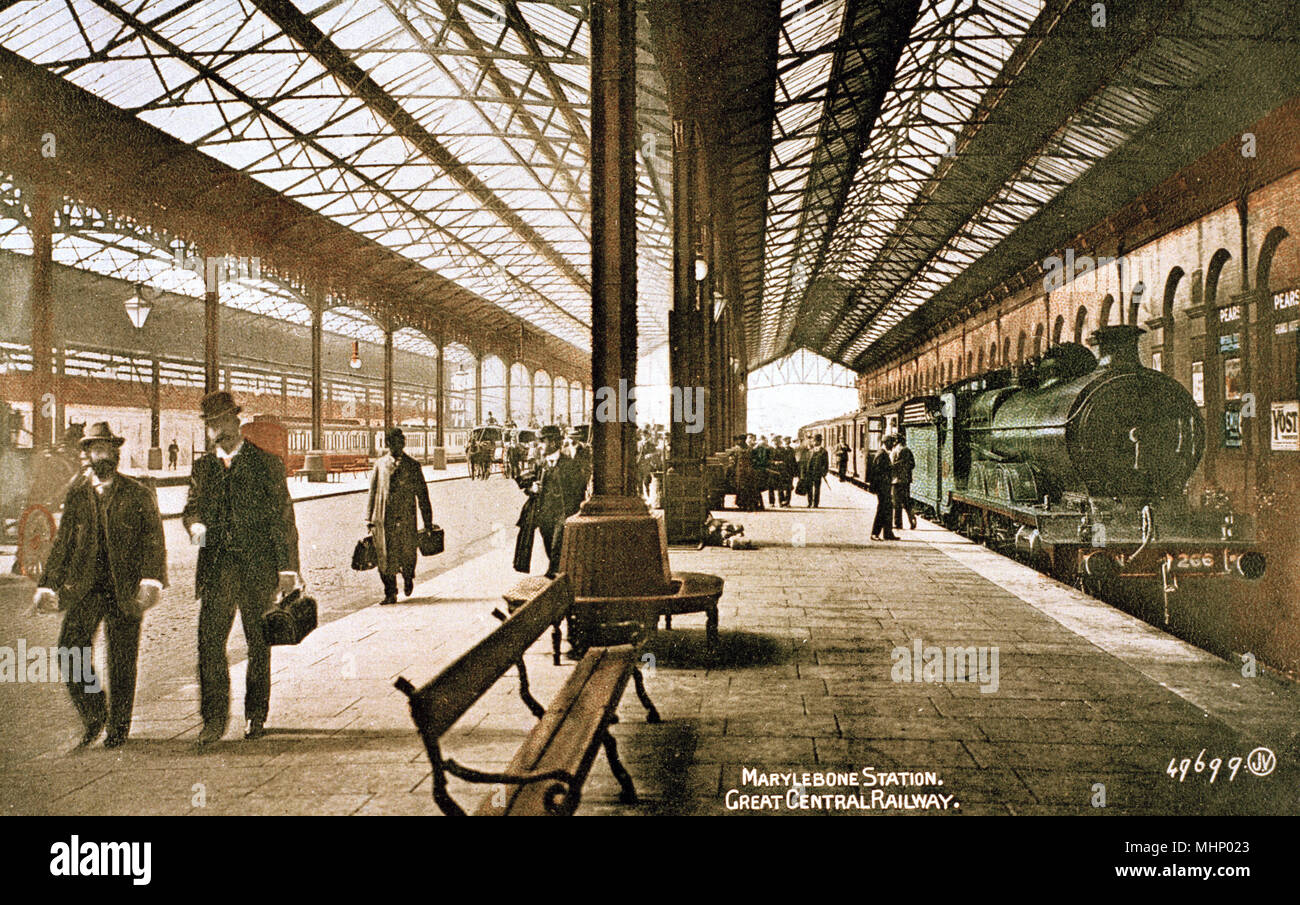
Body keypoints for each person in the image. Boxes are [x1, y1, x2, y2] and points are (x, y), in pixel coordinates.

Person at [33, 422, 166, 750]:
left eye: (105, 449)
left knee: (122, 659)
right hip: (85, 588)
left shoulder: (137, 492)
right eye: (94, 450)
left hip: (126, 588)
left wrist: (151, 580)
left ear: (115, 453)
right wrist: (48, 585)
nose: (100, 456)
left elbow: (153, 539)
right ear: (88, 455)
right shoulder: (78, 494)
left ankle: (118, 727)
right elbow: (63, 543)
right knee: (69, 649)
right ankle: (94, 714)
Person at [182, 391, 300, 746]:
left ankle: (255, 714)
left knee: (258, 644)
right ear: (208, 430)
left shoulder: (266, 464)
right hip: (217, 570)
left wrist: (288, 569)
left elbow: (283, 519)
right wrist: (195, 527)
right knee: (209, 644)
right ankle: (214, 719)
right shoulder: (203, 469)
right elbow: (191, 509)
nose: (220, 430)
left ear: (238, 422)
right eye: (213, 425)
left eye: (225, 422)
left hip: (257, 568)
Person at [367, 428, 434, 606]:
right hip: (383, 519)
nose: (398, 445)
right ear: (388, 444)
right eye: (394, 442)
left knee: (407, 553)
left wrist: (428, 522)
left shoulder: (413, 466)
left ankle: (408, 577)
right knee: (384, 556)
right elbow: (373, 492)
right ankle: (390, 593)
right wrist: (369, 518)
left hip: (405, 518)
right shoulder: (380, 465)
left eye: (401, 442)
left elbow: (423, 495)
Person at [513, 425, 585, 577]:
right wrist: (532, 488)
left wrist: (573, 511)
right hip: (544, 512)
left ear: (552, 443)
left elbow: (579, 489)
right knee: (548, 541)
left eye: (542, 441)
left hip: (563, 512)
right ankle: (557, 572)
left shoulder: (569, 464)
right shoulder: (540, 464)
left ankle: (553, 573)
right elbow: (528, 484)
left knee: (557, 544)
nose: (539, 445)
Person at [869, 437, 898, 540]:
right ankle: (874, 533)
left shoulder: (883, 453)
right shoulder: (881, 454)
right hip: (882, 487)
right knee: (882, 509)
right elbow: (877, 472)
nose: (892, 445)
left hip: (884, 486)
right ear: (886, 443)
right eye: (891, 443)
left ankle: (888, 533)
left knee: (888, 508)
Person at [891, 434, 917, 531]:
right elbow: (913, 465)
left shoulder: (895, 451)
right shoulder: (908, 450)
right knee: (906, 502)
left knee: (897, 503)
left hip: (896, 481)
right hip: (906, 481)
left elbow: (892, 465)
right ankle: (912, 519)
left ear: (896, 441)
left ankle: (898, 523)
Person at [806, 434, 829, 508]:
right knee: (809, 488)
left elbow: (826, 463)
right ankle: (809, 502)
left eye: (816, 441)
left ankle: (815, 503)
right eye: (814, 441)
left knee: (817, 488)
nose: (814, 442)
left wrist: (824, 472)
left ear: (819, 442)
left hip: (818, 473)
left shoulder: (823, 451)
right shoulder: (810, 451)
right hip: (809, 472)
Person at [773, 437, 797, 507]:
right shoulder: (780, 450)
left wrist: (795, 471)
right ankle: (781, 501)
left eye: (788, 441)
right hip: (781, 470)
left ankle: (787, 502)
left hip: (789, 471)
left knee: (788, 487)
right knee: (780, 487)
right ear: (783, 442)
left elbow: (794, 461)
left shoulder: (792, 450)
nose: (787, 442)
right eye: (785, 441)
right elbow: (776, 459)